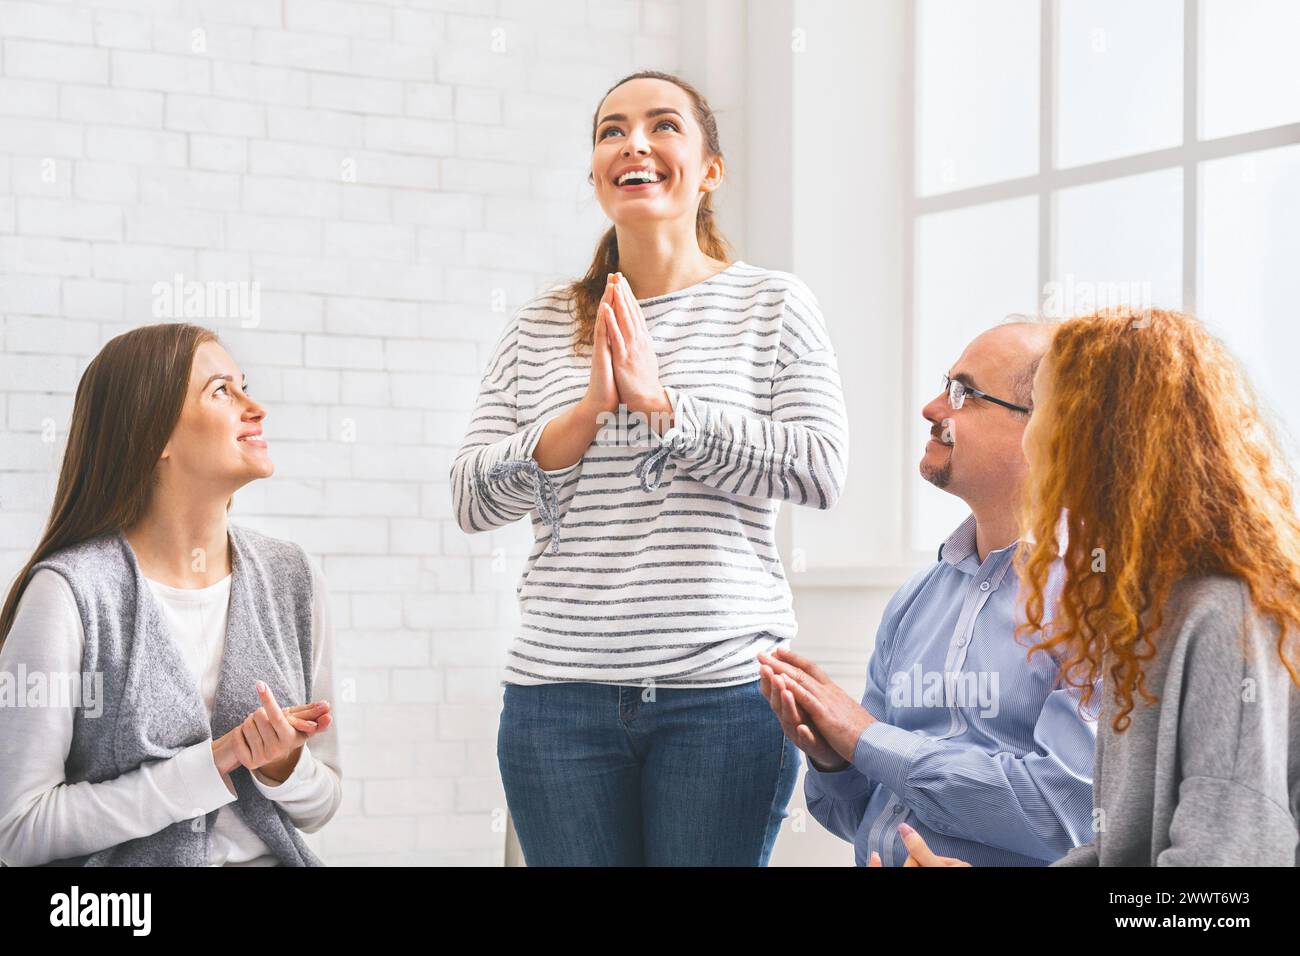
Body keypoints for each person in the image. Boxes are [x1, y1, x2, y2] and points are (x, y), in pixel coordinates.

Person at [450, 70, 848, 865]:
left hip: (723, 700)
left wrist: (667, 408)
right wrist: (577, 421)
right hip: (555, 702)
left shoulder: (772, 305)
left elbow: (820, 469)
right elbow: (470, 497)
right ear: (596, 173)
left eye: (663, 126)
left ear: (710, 169)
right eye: (611, 131)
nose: (634, 142)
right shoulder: (541, 323)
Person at [876, 308, 1300, 866]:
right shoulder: (1137, 606)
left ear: (1107, 438)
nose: (1031, 443)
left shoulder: (1227, 614)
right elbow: (1117, 852)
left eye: (1046, 414)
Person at [0, 323, 341, 866]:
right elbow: (19, 832)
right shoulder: (66, 596)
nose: (256, 408)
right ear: (152, 435)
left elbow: (321, 807)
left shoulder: (291, 577)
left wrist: (281, 767)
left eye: (244, 385)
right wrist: (208, 767)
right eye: (222, 391)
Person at [759, 321, 1097, 866]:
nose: (933, 407)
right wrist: (835, 759)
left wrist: (867, 738)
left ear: (1044, 428)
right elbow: (862, 816)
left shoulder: (1099, 601)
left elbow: (1062, 812)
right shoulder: (918, 599)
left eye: (964, 392)